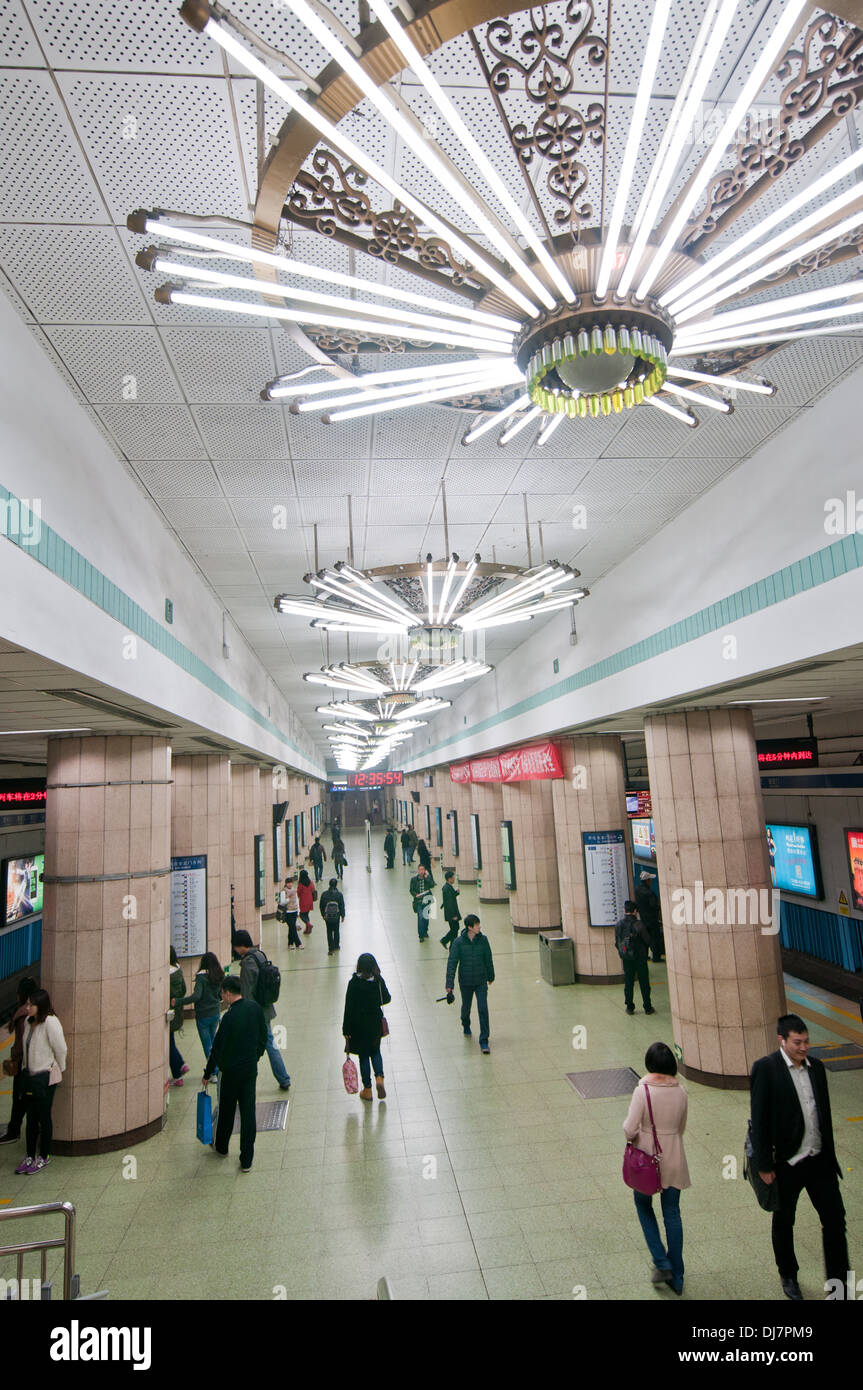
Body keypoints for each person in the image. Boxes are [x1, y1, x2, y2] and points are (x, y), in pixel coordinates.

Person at [750, 1014, 849, 1301]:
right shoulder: (766, 1069)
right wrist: (763, 1167)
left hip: (819, 1161)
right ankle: (788, 1274)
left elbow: (823, 1113)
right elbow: (759, 1119)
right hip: (786, 1163)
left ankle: (839, 1285)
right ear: (782, 1040)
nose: (804, 1047)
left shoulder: (816, 1068)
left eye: (806, 1041)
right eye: (797, 1042)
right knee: (784, 1221)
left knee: (835, 1221)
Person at [623, 1041, 690, 1296]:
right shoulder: (681, 1092)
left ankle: (661, 1262)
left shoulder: (643, 1091)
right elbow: (681, 1127)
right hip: (674, 1156)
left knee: (642, 1204)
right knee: (672, 1212)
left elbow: (630, 1128)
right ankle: (679, 1276)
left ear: (649, 1065)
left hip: (646, 1160)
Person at [202, 976, 267, 1172]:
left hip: (229, 1072)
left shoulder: (228, 1018)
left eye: (222, 994)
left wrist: (207, 1072)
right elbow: (263, 1037)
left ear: (228, 993)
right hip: (249, 1070)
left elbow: (217, 1048)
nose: (222, 997)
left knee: (227, 1111)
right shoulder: (255, 1009)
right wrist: (255, 1057)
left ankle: (222, 1147)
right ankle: (246, 1159)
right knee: (248, 1113)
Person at [15, 988, 66, 1175]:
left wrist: (59, 1067)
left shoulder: (51, 1023)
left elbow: (61, 1048)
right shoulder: (29, 1023)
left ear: (41, 1006)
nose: (27, 1007)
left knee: (43, 1117)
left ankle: (43, 1156)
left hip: (46, 1077)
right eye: (27, 1004)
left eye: (31, 1004)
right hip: (30, 1077)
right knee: (31, 1118)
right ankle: (29, 1155)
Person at [232, 930, 291, 1090]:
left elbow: (247, 991)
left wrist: (246, 1015)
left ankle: (280, 1078)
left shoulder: (248, 963)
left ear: (240, 945)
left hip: (255, 1012)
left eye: (235, 947)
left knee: (262, 1045)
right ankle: (283, 1078)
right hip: (265, 1007)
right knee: (268, 1043)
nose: (235, 950)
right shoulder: (260, 955)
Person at [342, 953, 392, 1102]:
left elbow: (348, 1008)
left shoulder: (354, 983)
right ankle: (379, 1078)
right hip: (375, 1023)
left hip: (358, 1026)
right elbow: (387, 998)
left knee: (363, 1056)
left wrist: (346, 1030)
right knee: (375, 1051)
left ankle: (368, 1090)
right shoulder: (377, 981)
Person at [445, 913, 494, 1054]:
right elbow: (452, 963)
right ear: (469, 927)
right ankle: (465, 1023)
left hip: (480, 981)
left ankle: (484, 1040)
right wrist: (450, 984)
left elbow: (488, 959)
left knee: (483, 1008)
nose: (480, 927)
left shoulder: (483, 940)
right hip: (465, 981)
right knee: (466, 1007)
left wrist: (491, 976)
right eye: (477, 925)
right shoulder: (458, 943)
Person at [0, 976, 37, 1146]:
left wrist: (14, 1056)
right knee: (23, 1101)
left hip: (24, 1064)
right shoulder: (35, 1009)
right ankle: (14, 1128)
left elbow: (22, 1041)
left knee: (19, 1099)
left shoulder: (23, 1014)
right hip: (31, 1064)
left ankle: (13, 1131)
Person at [186, 952, 224, 1076]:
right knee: (213, 1044)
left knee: (207, 1046)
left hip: (203, 1016)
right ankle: (217, 1067)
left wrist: (179, 1002)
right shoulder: (218, 975)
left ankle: (214, 1071)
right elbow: (220, 995)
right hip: (215, 1013)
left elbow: (196, 996)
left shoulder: (201, 978)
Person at [614, 900, 654, 1016]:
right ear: (635, 911)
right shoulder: (639, 925)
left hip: (626, 958)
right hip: (640, 957)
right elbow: (648, 940)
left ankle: (630, 1007)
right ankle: (647, 1006)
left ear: (625, 910)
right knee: (644, 982)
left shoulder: (619, 925)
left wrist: (624, 952)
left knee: (628, 982)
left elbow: (617, 942)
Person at [169, 946, 190, 1085]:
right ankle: (178, 1074)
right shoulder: (177, 968)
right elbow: (184, 989)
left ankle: (179, 1070)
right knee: (170, 1040)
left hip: (168, 1011)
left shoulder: (166, 973)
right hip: (178, 1010)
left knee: (168, 1043)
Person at [635, 872, 665, 962]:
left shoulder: (637, 890)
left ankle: (645, 955)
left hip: (643, 918)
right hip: (652, 919)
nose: (651, 881)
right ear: (647, 881)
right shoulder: (649, 893)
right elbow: (653, 906)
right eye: (650, 879)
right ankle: (656, 957)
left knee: (644, 938)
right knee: (655, 938)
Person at [409, 862, 435, 942]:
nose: (421, 871)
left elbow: (432, 885)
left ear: (425, 870)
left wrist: (427, 877)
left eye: (423, 870)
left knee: (426, 918)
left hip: (427, 901)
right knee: (420, 918)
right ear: (418, 870)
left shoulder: (427, 878)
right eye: (420, 869)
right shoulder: (413, 879)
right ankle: (421, 935)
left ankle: (425, 931)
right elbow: (411, 890)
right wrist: (415, 895)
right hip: (419, 901)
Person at [320, 877, 346, 956]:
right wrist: (342, 915)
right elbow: (342, 906)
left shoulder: (324, 894)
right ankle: (336, 945)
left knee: (329, 931)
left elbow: (321, 906)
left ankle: (330, 948)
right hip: (336, 916)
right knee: (336, 931)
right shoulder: (339, 895)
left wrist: (323, 915)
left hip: (327, 917)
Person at [439, 869, 461, 950]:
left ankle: (450, 944)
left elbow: (450, 898)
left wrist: (456, 893)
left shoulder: (448, 887)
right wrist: (453, 915)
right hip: (451, 913)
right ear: (449, 879)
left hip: (450, 913)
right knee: (454, 929)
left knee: (454, 929)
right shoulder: (447, 888)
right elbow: (449, 903)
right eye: (453, 878)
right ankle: (446, 942)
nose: (454, 879)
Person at [280, 875, 302, 950]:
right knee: (293, 927)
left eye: (291, 883)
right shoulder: (283, 891)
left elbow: (297, 900)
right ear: (286, 883)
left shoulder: (294, 890)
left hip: (294, 911)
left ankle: (290, 944)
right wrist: (288, 899)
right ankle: (299, 944)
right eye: (288, 883)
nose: (289, 884)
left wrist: (298, 911)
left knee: (291, 928)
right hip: (288, 912)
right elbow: (282, 902)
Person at [298, 868, 316, 933]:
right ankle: (307, 929)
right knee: (306, 914)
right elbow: (313, 889)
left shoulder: (301, 884)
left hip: (303, 901)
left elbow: (299, 892)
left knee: (302, 915)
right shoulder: (310, 882)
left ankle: (308, 924)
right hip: (310, 900)